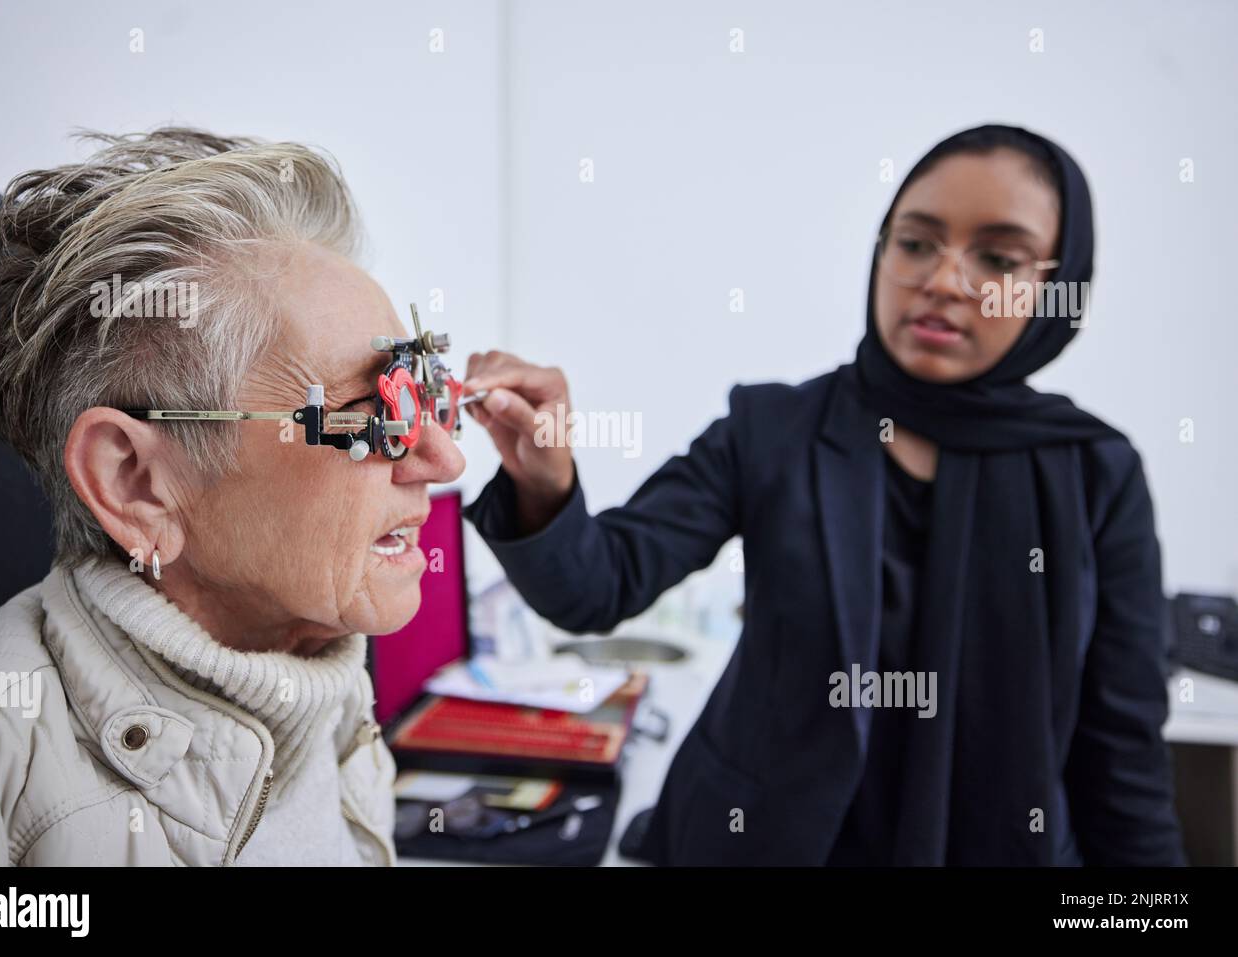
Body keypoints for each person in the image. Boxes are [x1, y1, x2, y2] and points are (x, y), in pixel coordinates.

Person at [461, 124, 1186, 865]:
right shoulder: (774, 429)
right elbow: (598, 586)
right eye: (915, 243)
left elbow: (1121, 755)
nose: (942, 280)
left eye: (997, 258)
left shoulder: (1095, 472)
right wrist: (544, 482)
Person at [0, 128, 464, 865]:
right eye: (375, 412)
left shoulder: (329, 691)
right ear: (138, 483)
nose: (443, 458)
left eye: (428, 391)